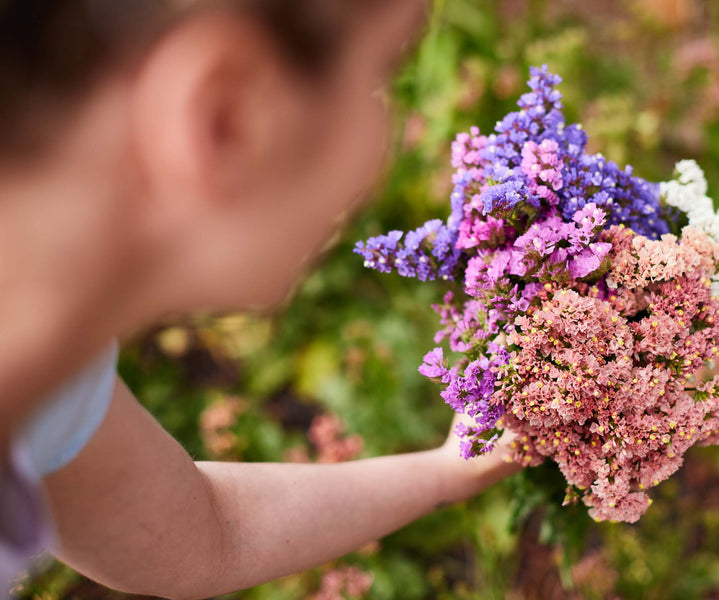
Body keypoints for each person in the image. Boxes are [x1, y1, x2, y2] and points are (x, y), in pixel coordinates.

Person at [0, 1, 518, 598]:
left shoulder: (54, 375)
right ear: (227, 112)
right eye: (382, 73)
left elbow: (201, 536)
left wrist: (447, 470)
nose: (380, 149)